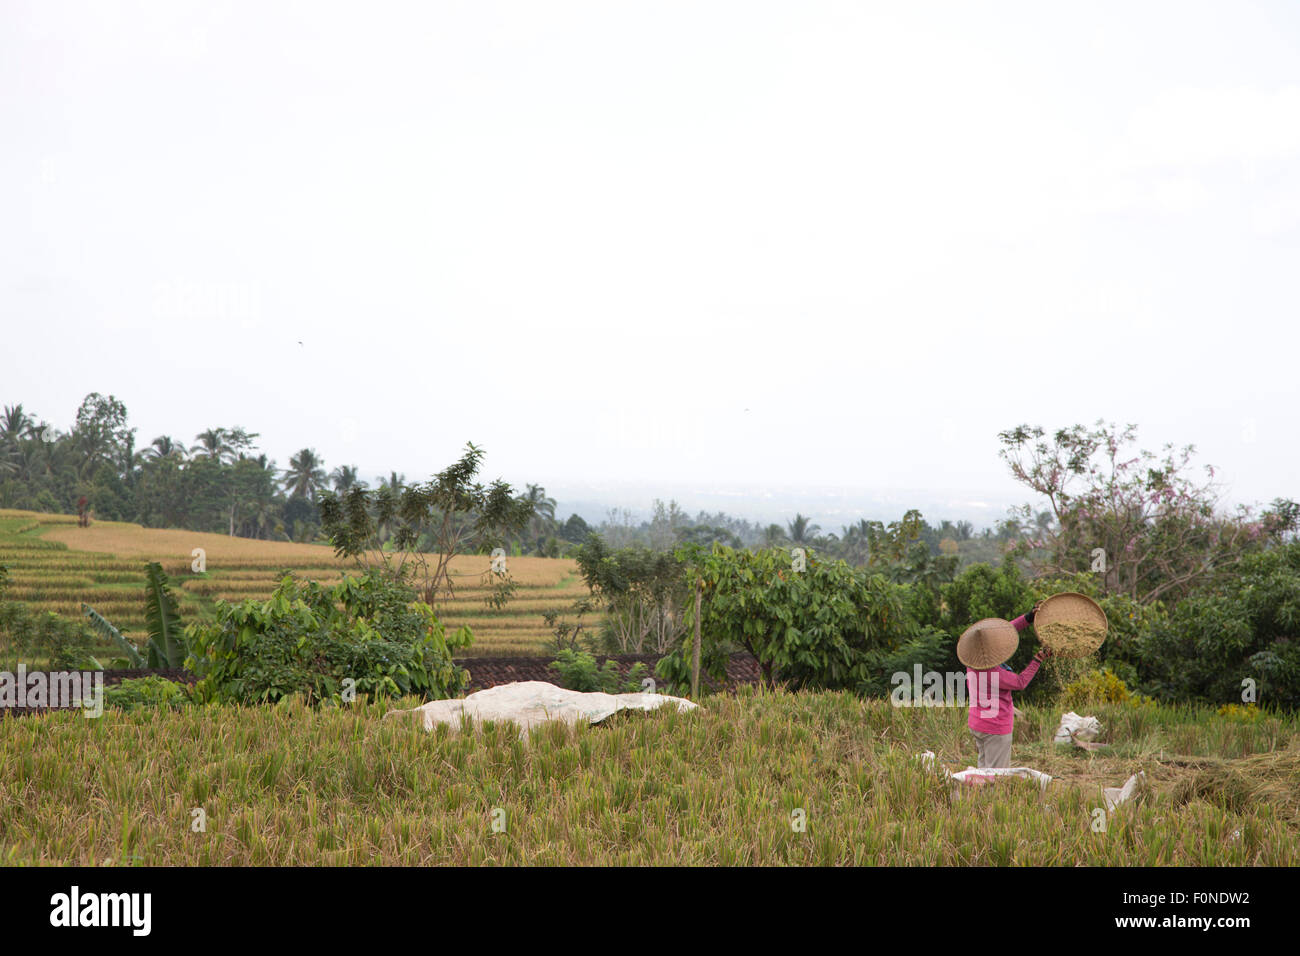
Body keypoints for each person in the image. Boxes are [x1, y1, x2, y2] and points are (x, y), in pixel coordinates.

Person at [956, 602, 1052, 769]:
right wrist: (1038, 659)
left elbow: (1005, 632)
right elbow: (1021, 682)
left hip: (977, 724)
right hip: (995, 728)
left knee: (983, 771)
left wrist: (1028, 618)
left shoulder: (971, 661)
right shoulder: (995, 673)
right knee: (996, 776)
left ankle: (977, 795)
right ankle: (990, 796)